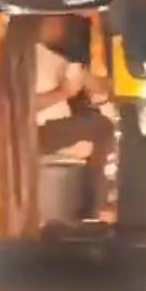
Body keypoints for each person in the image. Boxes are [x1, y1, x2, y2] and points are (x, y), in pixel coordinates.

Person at [34, 14, 116, 219]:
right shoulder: (24, 59)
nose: (62, 28)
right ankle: (98, 203)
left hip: (57, 128)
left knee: (102, 124)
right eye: (57, 22)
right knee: (101, 127)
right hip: (35, 131)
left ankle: (96, 200)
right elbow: (22, 106)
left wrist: (93, 82)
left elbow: (97, 85)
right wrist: (63, 93)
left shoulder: (55, 58)